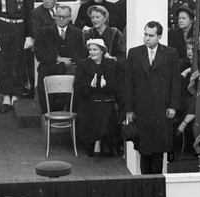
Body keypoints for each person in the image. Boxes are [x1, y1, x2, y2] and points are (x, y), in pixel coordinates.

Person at [124, 21, 181, 175]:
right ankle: (146, 184)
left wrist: (173, 106)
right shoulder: (134, 53)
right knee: (144, 149)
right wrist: (129, 109)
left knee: (159, 148)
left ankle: (157, 184)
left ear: (159, 36)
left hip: (161, 108)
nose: (147, 38)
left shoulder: (170, 53)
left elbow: (175, 81)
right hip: (140, 108)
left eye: (151, 35)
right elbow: (128, 83)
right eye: (145, 34)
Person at [33, 4, 86, 114]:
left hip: (69, 67)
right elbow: (38, 53)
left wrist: (68, 60)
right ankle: (47, 112)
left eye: (64, 17)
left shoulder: (77, 33)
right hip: (49, 67)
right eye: (58, 16)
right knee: (45, 74)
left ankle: (70, 111)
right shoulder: (44, 32)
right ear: (54, 16)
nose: (61, 19)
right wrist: (56, 58)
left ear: (70, 17)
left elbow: (81, 52)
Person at [75, 39, 121, 157]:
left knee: (104, 108)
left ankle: (97, 142)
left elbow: (115, 85)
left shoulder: (111, 64)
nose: (92, 52)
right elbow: (78, 86)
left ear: (102, 51)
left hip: (106, 97)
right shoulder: (83, 64)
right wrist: (91, 85)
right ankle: (97, 141)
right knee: (95, 109)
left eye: (95, 49)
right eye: (90, 50)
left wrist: (103, 86)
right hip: (88, 98)